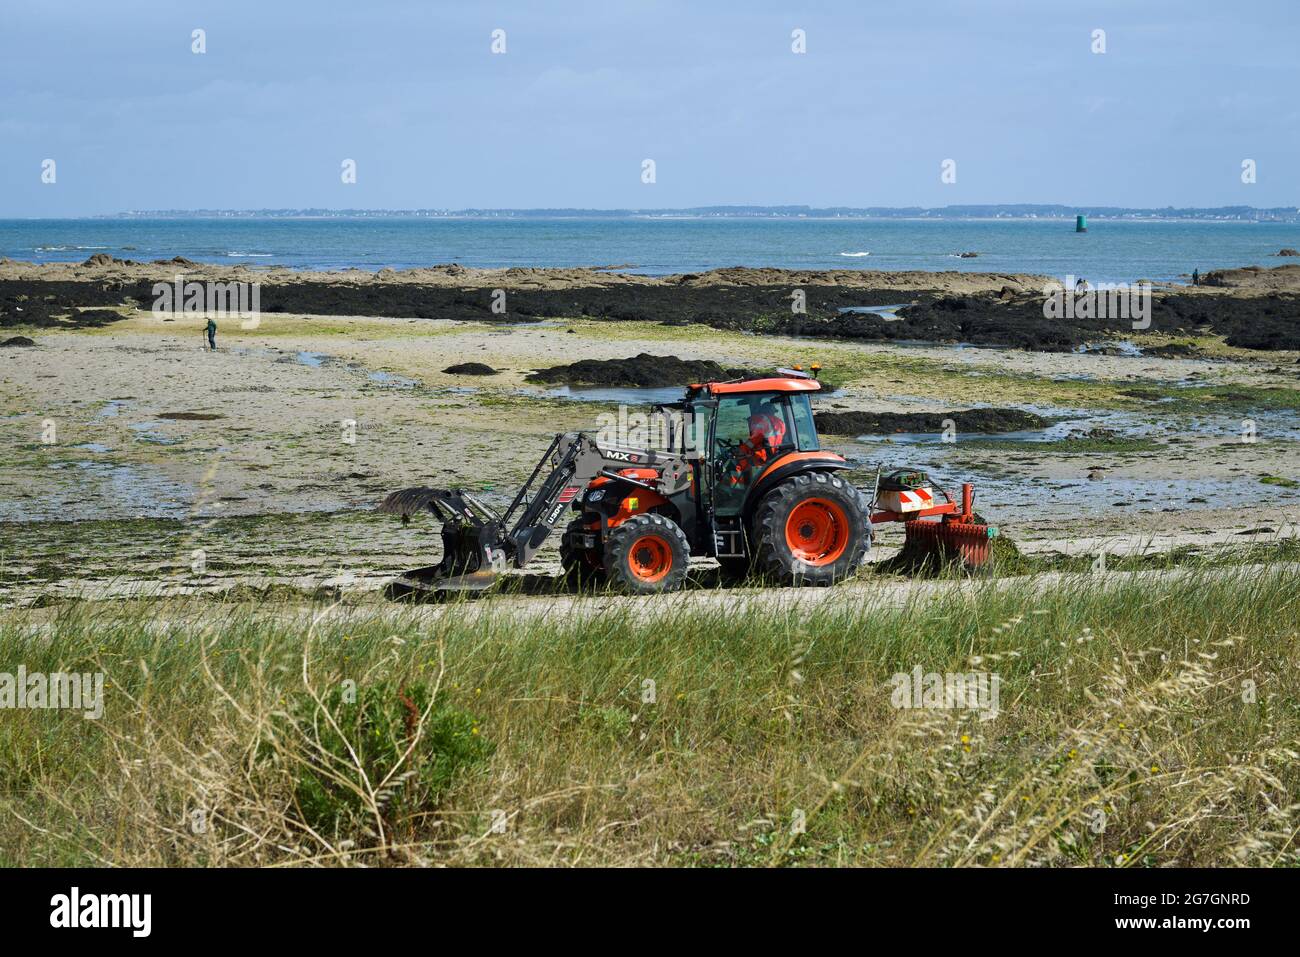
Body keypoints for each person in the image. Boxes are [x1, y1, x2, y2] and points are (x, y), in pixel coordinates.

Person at [730, 403, 787, 485]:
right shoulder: (781, 422)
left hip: (761, 457)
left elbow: (754, 440)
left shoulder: (761, 420)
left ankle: (736, 490)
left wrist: (741, 449)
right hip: (775, 455)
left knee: (738, 464)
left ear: (763, 410)